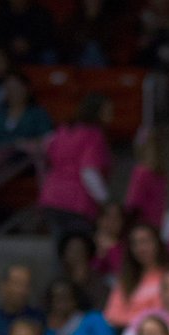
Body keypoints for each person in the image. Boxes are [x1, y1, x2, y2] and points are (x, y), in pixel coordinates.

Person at [38, 92, 112, 245]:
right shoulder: (93, 135)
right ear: (97, 111)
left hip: (52, 196)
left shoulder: (63, 130)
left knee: (61, 248)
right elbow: (89, 172)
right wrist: (106, 201)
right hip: (76, 202)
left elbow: (47, 148)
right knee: (79, 249)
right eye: (108, 110)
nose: (111, 115)